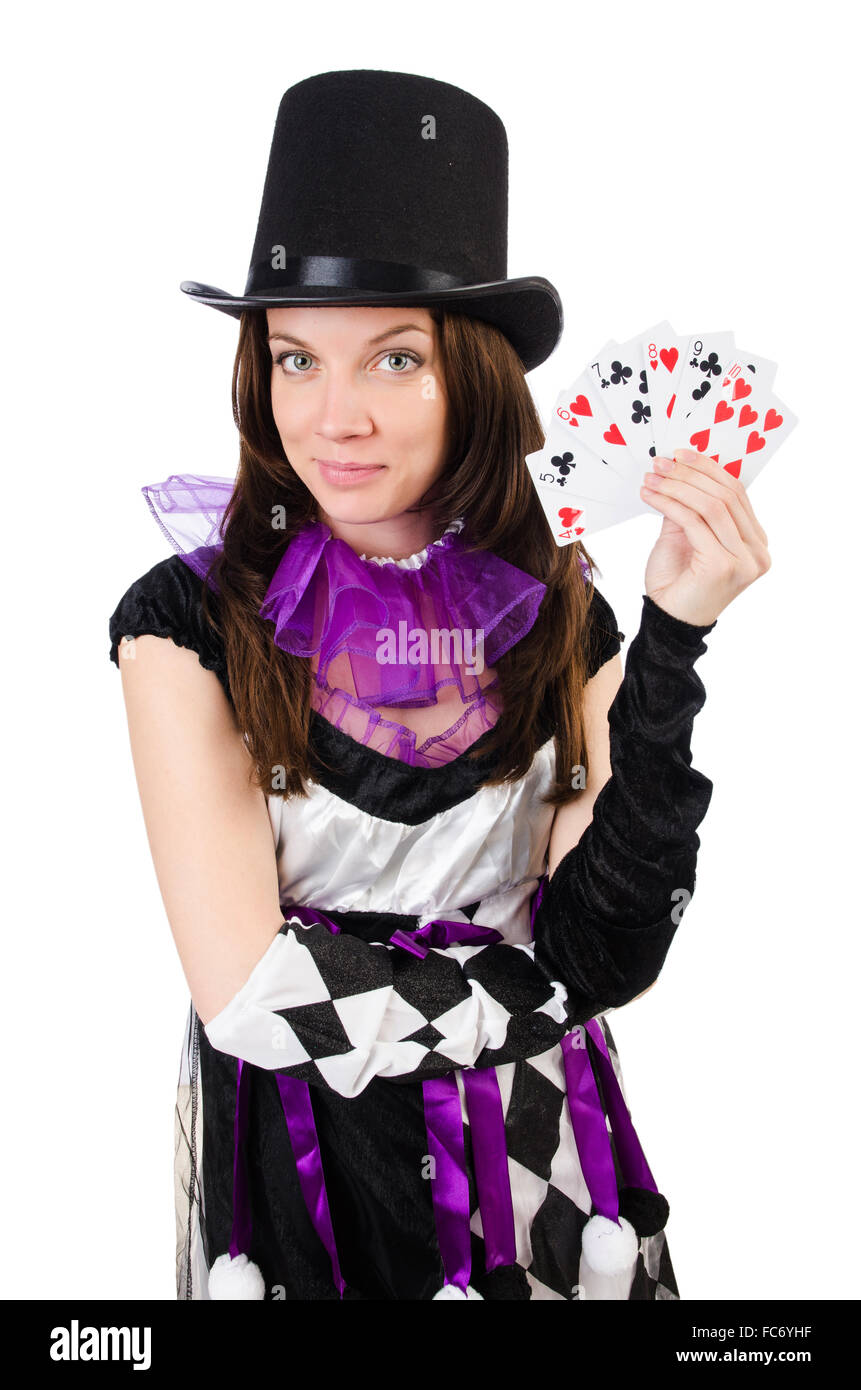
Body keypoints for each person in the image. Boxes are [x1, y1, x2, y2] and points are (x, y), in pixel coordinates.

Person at [107, 70, 770, 1301]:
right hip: (305, 1177)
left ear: (472, 370)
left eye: (394, 358)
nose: (334, 415)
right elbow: (250, 990)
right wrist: (538, 990)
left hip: (538, 1162)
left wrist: (674, 635)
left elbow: (611, 942)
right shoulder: (184, 622)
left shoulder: (559, 608)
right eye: (297, 356)